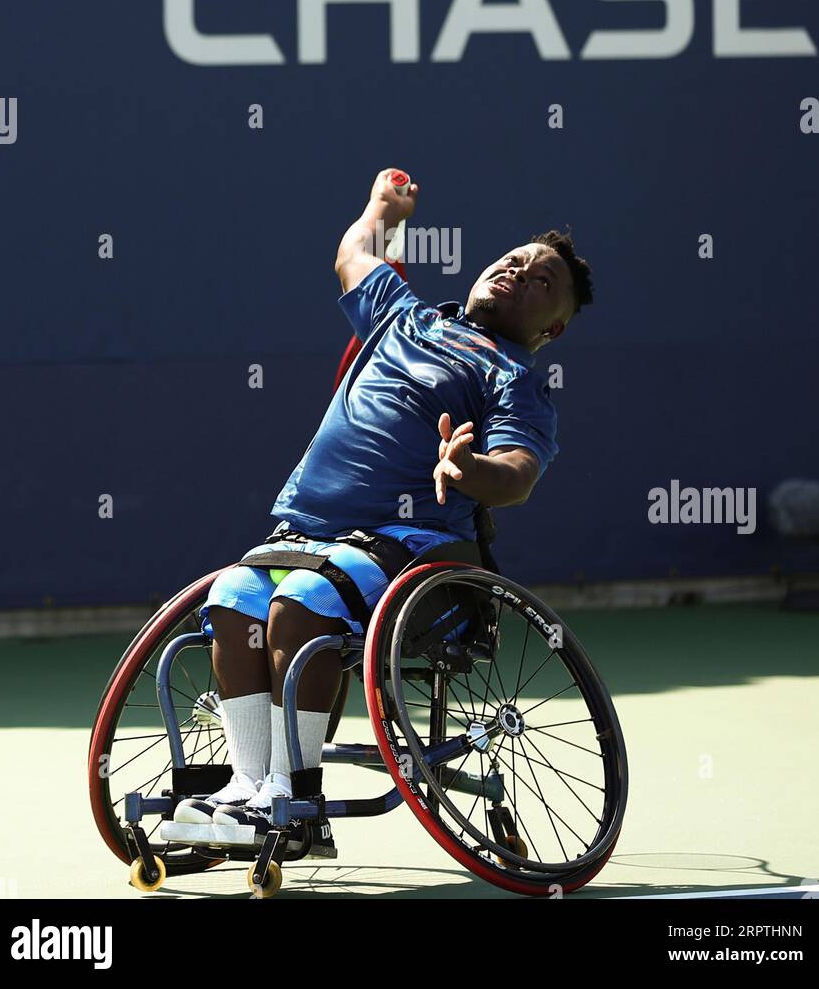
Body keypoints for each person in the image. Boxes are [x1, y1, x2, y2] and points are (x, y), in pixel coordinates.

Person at [175, 168, 593, 855]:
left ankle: (293, 797)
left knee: (303, 602)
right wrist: (383, 209)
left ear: (553, 327)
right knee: (233, 596)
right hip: (305, 534)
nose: (519, 273)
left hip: (412, 550)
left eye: (543, 281)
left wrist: (467, 468)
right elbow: (353, 255)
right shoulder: (405, 315)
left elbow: (516, 475)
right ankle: (246, 787)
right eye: (515, 261)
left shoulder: (513, 381)